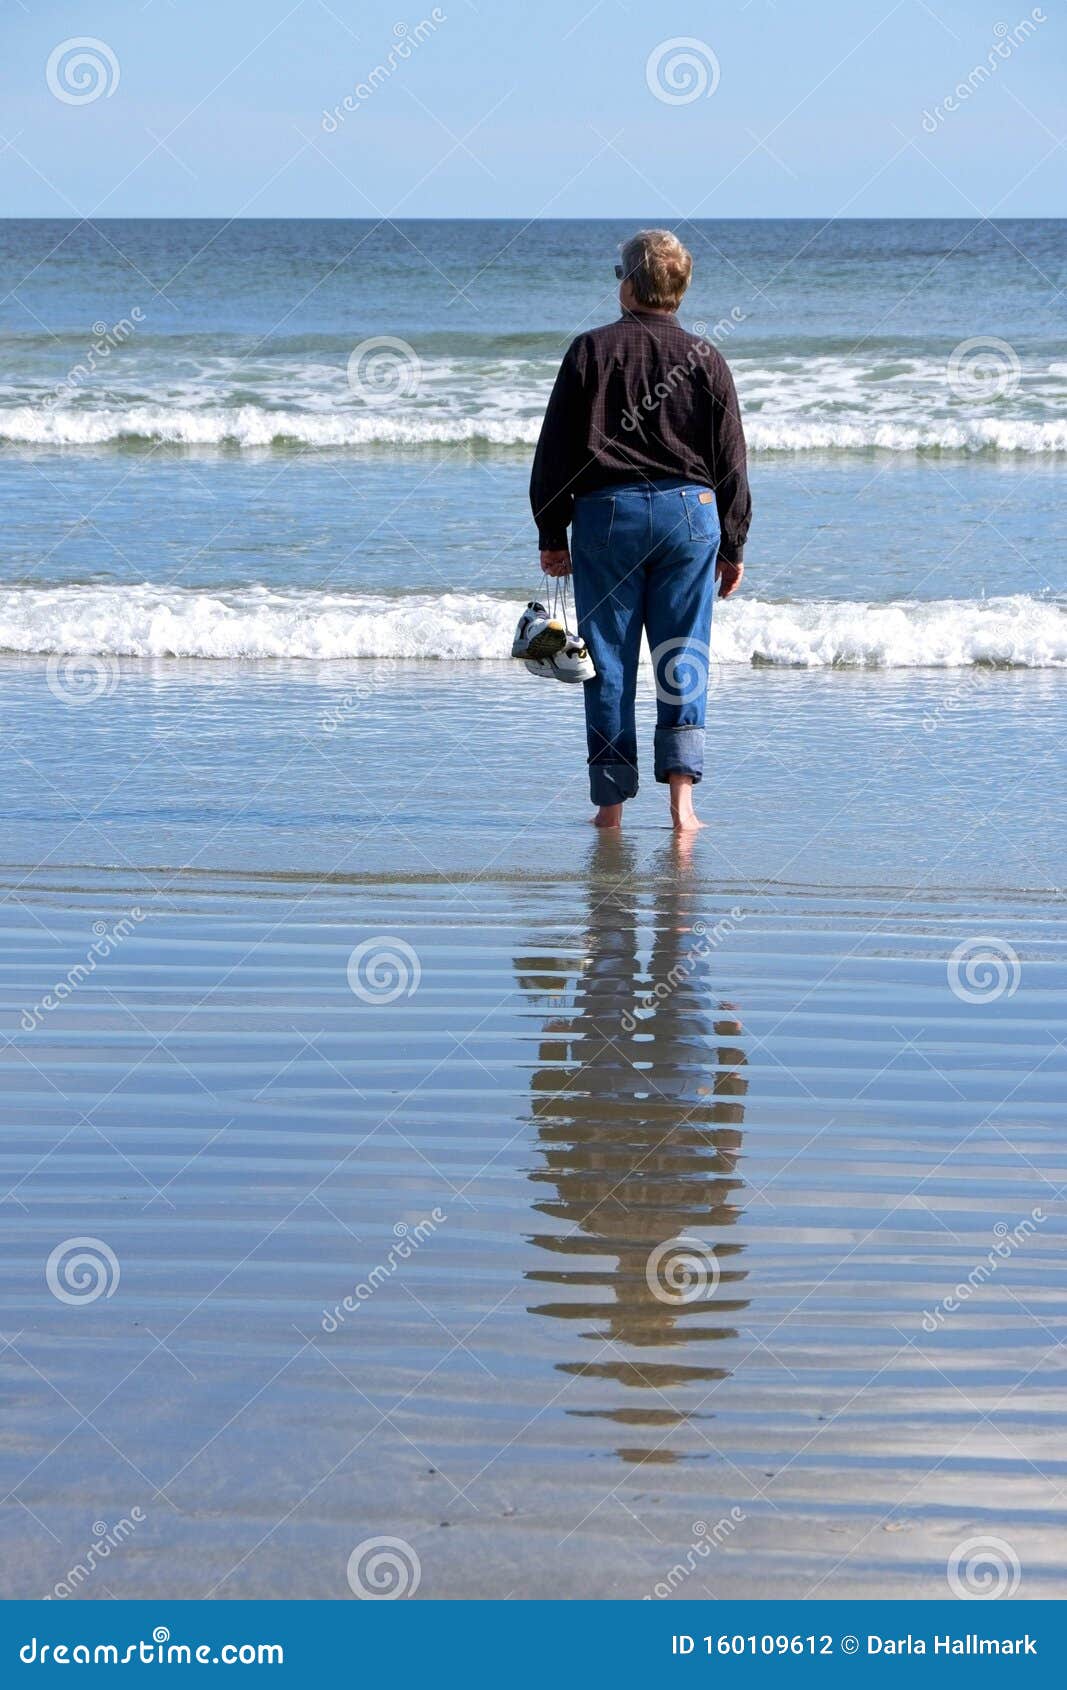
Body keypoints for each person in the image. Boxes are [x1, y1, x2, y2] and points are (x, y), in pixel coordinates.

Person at [530, 229, 751, 831]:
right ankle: (683, 807)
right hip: (690, 514)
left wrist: (552, 532)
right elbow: (732, 457)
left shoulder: (589, 351)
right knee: (683, 653)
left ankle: (611, 807)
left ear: (628, 283)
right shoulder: (708, 357)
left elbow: (555, 452)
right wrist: (733, 543)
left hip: (608, 515)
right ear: (678, 289)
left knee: (607, 660)